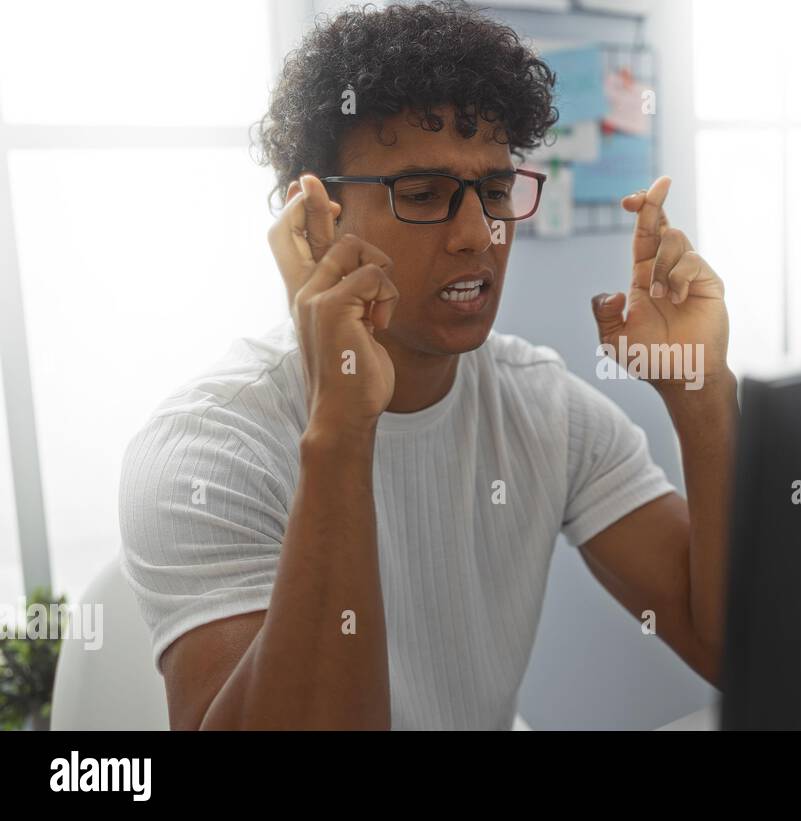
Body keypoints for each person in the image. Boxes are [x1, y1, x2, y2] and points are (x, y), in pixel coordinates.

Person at [118, 0, 736, 729]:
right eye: (423, 194)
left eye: (497, 190)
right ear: (318, 219)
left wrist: (700, 393)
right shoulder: (208, 451)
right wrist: (342, 426)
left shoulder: (544, 407)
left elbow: (728, 644)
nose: (480, 235)